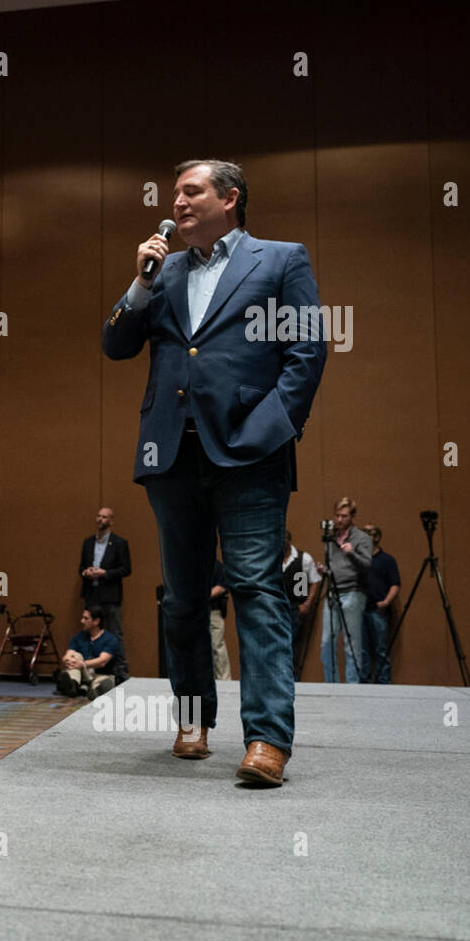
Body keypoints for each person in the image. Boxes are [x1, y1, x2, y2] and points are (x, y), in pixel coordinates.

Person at [104, 158, 327, 785]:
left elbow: (307, 351)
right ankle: (193, 721)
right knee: (181, 600)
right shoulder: (164, 269)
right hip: (172, 455)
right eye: (175, 191)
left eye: (190, 190)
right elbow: (115, 343)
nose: (176, 201)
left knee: (256, 589)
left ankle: (266, 740)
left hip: (250, 456)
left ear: (229, 199)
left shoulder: (281, 260)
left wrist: (268, 430)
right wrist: (140, 284)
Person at [317, 497, 372, 685]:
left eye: (344, 516)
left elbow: (367, 565)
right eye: (337, 515)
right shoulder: (330, 538)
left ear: (352, 517)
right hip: (332, 593)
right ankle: (331, 685)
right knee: (326, 643)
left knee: (351, 646)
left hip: (352, 592)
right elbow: (335, 564)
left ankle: (352, 688)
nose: (339, 519)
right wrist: (324, 570)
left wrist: (352, 553)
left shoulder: (362, 538)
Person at [78, 508, 131, 682]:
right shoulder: (88, 542)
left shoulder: (119, 543)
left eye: (104, 517)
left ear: (111, 521)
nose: (100, 519)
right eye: (98, 516)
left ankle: (121, 674)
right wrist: (86, 572)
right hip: (92, 594)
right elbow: (80, 567)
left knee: (115, 634)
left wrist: (104, 573)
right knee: (89, 633)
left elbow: (126, 569)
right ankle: (88, 673)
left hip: (110, 595)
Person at [361, 524, 400, 685]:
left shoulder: (387, 560)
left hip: (378, 610)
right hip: (360, 610)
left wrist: (386, 602)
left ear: (376, 537)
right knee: (362, 650)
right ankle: (363, 682)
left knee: (380, 649)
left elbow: (395, 584)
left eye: (368, 533)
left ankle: (384, 683)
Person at [281, 530, 321, 681]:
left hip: (295, 606)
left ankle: (293, 678)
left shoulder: (303, 559)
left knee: (294, 644)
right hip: (277, 607)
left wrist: (307, 603)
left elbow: (314, 581)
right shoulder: (272, 560)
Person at [57, 607, 121, 698]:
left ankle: (91, 689)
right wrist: (69, 661)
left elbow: (102, 661)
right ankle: (73, 684)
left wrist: (83, 664)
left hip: (101, 674)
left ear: (96, 621)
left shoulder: (110, 639)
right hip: (82, 673)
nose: (82, 621)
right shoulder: (79, 637)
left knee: (104, 684)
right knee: (75, 655)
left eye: (86, 618)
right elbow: (66, 656)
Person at [209, 557, 231, 681]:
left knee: (217, 646)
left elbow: (222, 586)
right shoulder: (192, 565)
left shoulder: (217, 566)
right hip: (195, 613)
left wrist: (203, 596)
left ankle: (224, 679)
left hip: (213, 610)